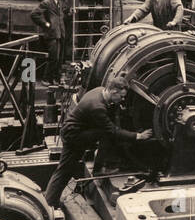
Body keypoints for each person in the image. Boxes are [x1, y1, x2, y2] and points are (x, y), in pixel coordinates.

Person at [44, 75, 153, 207]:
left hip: (79, 131)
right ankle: (49, 204)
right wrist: (138, 136)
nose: (123, 99)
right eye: (122, 96)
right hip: (74, 136)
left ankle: (99, 167)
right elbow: (112, 130)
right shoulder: (97, 108)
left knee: (66, 169)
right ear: (113, 92)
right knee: (64, 170)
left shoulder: (100, 90)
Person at [31, 0, 68, 83]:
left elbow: (60, 16)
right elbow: (34, 14)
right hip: (51, 34)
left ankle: (55, 79)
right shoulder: (46, 2)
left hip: (60, 34)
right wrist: (45, 24)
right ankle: (46, 79)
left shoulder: (60, 3)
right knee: (53, 58)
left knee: (59, 59)